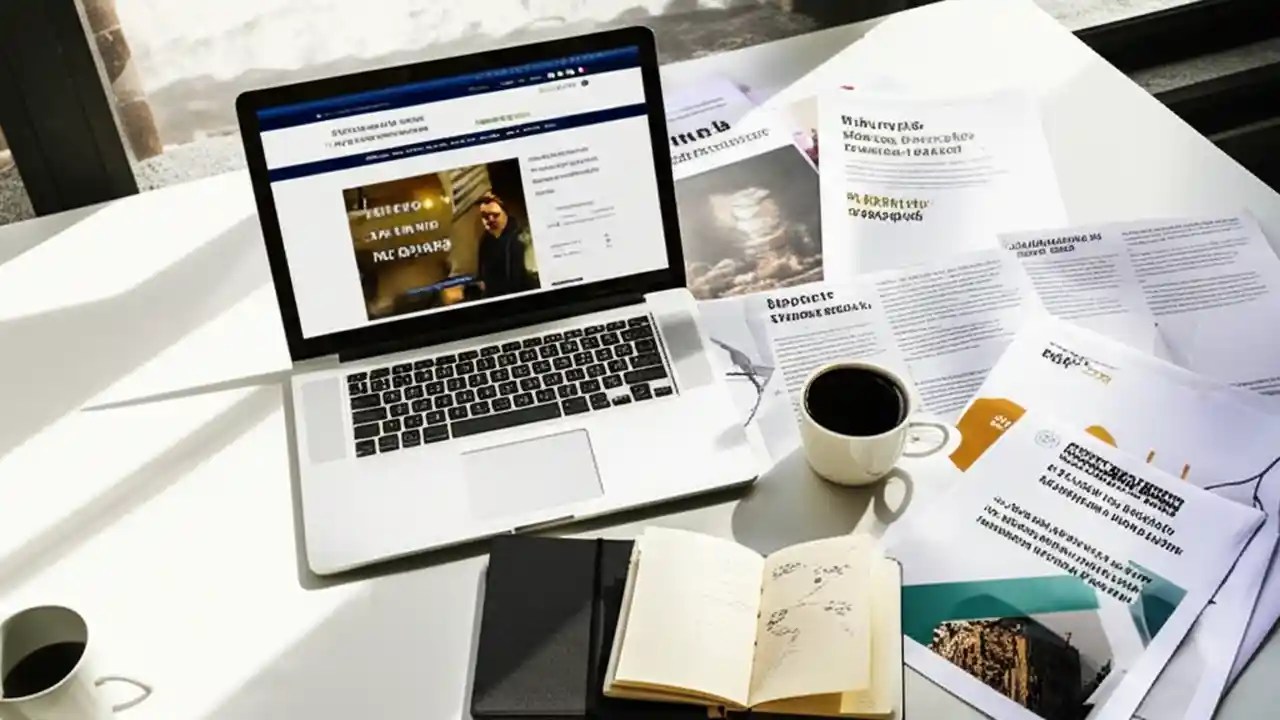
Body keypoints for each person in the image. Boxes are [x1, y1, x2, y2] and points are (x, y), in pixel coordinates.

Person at [475, 191, 536, 297]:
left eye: (495, 215)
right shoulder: (485, 240)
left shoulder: (520, 238)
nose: (490, 219)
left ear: (505, 213)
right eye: (485, 216)